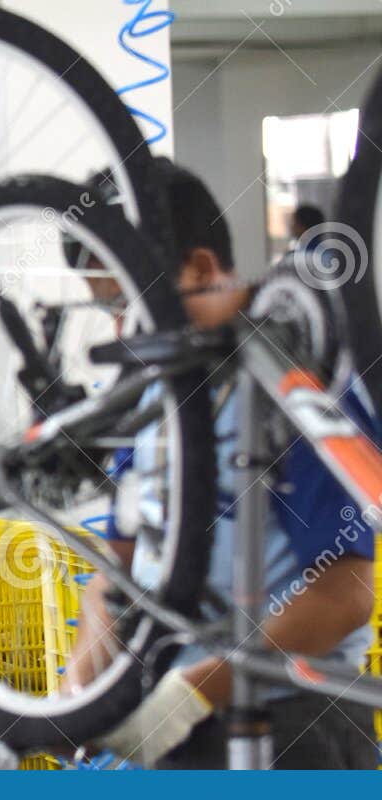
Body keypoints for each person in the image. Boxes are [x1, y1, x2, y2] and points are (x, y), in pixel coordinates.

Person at [67, 162, 377, 769]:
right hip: (175, 723)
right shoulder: (154, 392)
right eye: (108, 310)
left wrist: (192, 693)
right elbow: (121, 569)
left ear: (202, 270)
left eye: (130, 303)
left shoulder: (295, 376)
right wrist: (84, 687)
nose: (124, 329)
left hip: (294, 725)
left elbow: (345, 593)